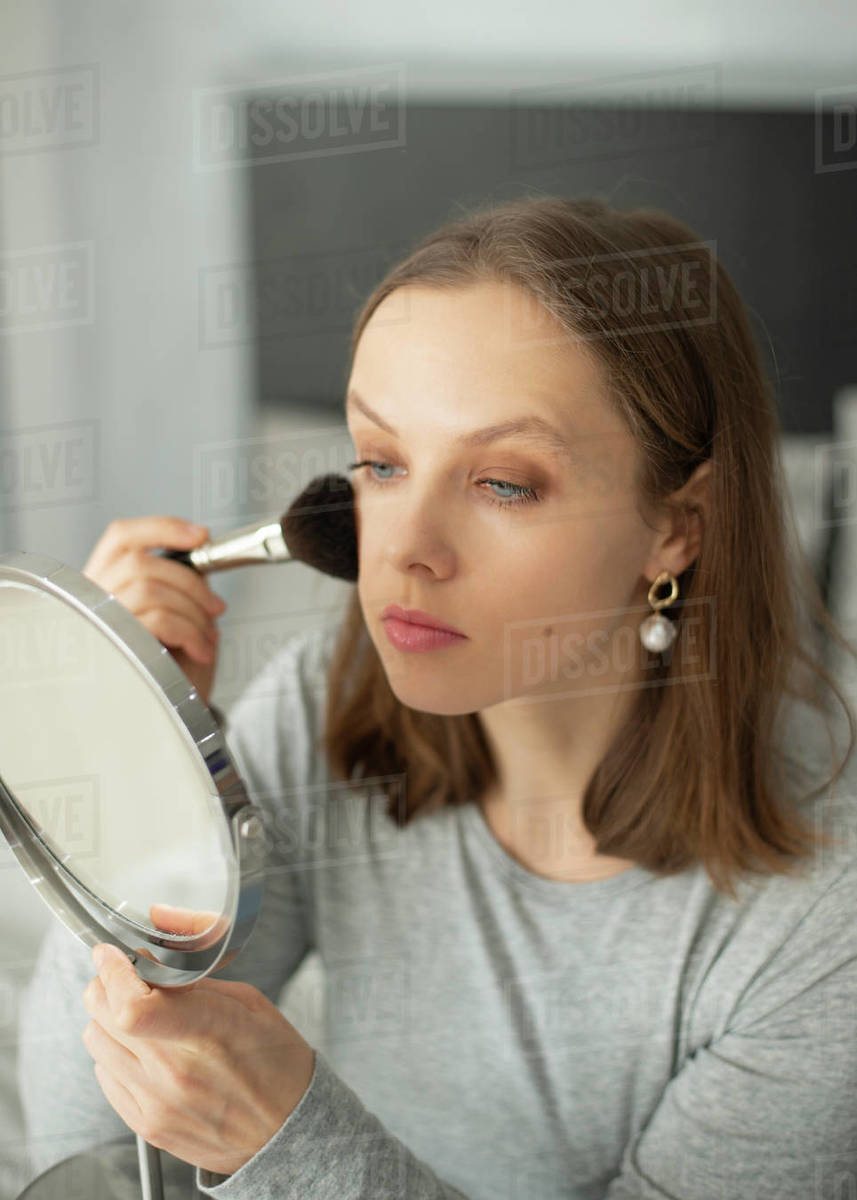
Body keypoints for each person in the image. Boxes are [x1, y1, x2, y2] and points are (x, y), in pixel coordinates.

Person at [17, 194, 857, 1199]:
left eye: (503, 483)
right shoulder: (330, 714)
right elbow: (89, 1151)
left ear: (675, 526)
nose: (404, 549)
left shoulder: (823, 918)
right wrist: (137, 751)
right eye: (379, 463)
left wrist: (294, 1144)